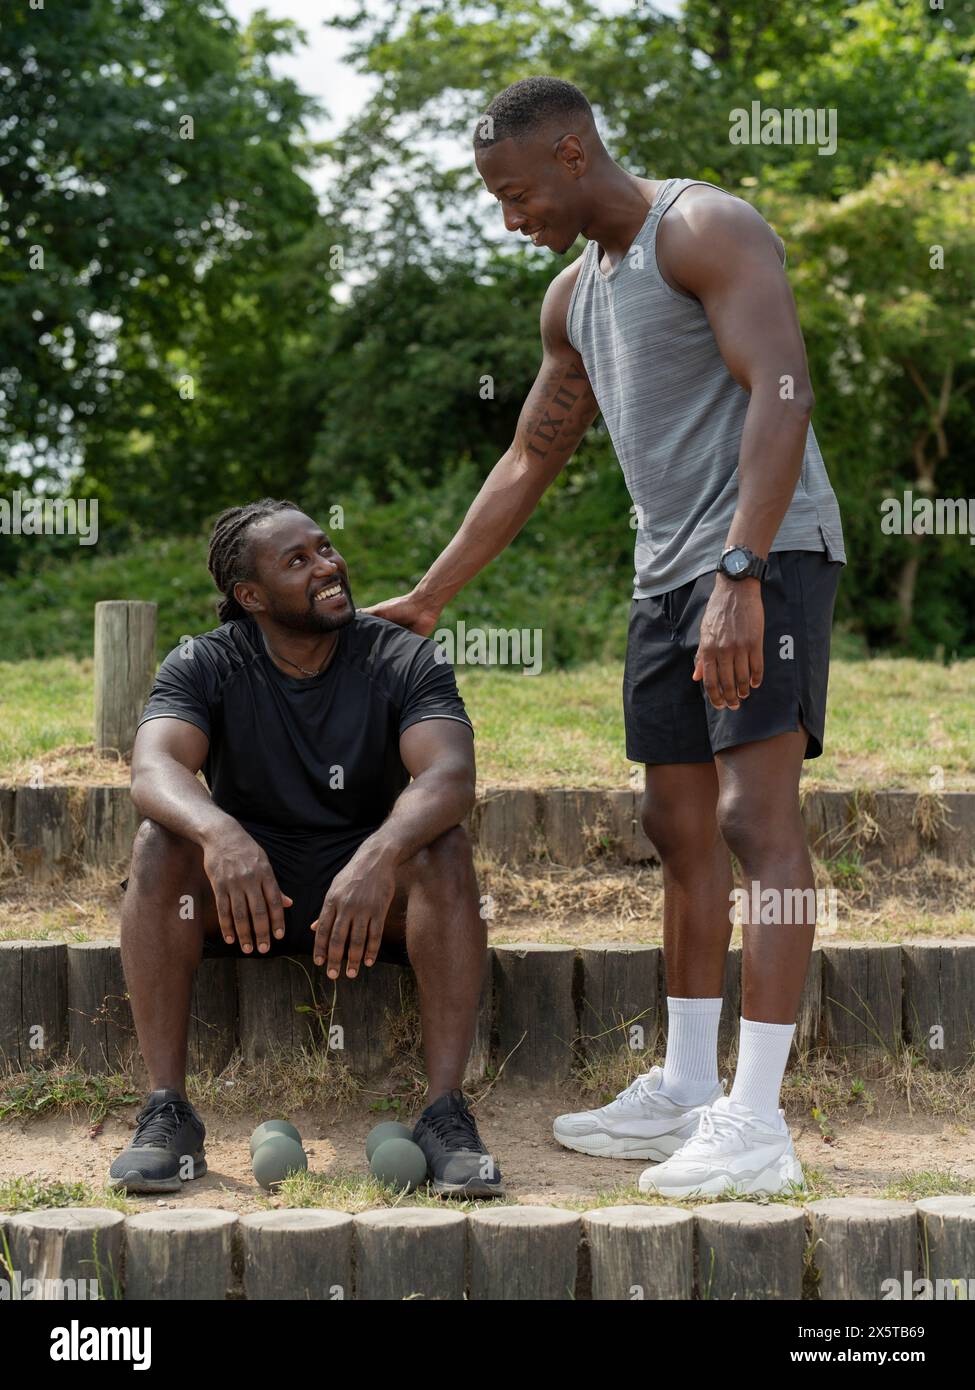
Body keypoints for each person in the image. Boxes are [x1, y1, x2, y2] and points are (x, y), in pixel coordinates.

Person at [368, 77, 846, 1198]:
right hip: (665, 576)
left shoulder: (704, 227)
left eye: (518, 191)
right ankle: (686, 1085)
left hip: (761, 556)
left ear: (577, 156)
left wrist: (741, 571)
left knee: (753, 819)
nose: (508, 215)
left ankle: (760, 1116)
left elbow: (784, 390)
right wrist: (432, 594)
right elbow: (534, 452)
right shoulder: (571, 298)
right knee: (673, 821)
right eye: (495, 197)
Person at [110, 498, 503, 1198]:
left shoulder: (401, 655)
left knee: (442, 848)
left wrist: (379, 857)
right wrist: (220, 832)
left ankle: (446, 1115)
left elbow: (449, 777)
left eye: (325, 549)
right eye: (299, 561)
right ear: (250, 596)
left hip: (369, 895)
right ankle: (167, 1110)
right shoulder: (205, 661)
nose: (328, 568)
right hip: (247, 895)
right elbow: (153, 769)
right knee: (158, 845)